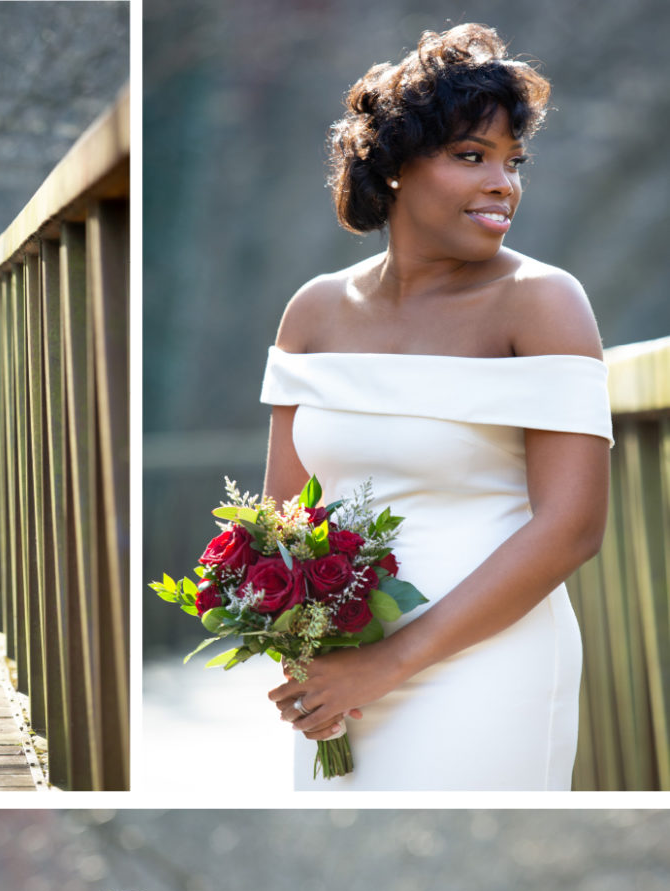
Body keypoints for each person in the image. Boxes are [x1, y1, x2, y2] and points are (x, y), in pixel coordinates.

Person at [259, 24, 613, 791]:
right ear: (391, 168)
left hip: (489, 661)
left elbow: (571, 526)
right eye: (469, 156)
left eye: (512, 161)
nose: (503, 183)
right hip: (338, 669)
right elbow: (280, 516)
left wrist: (389, 663)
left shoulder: (542, 301)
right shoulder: (312, 313)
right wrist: (305, 650)